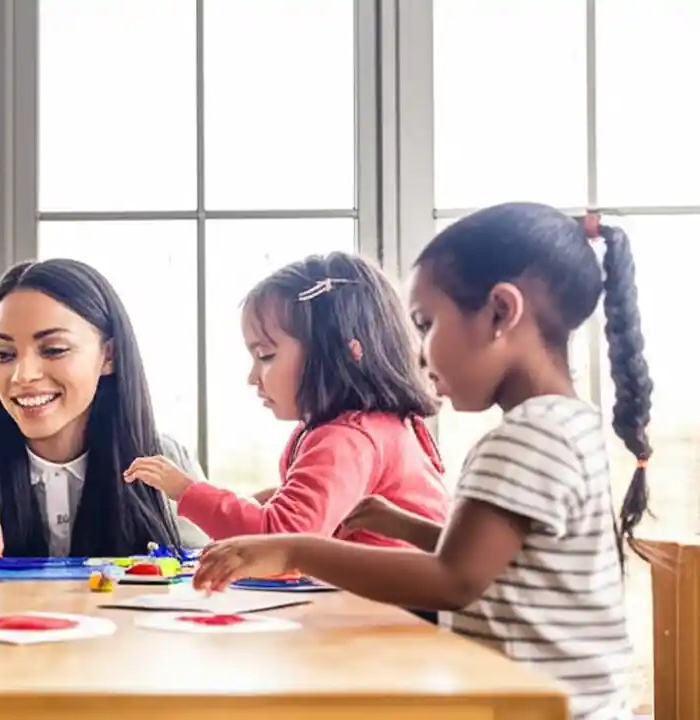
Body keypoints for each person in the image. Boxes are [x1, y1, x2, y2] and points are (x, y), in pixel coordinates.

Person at [194, 202, 647, 720]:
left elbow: (453, 580)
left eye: (426, 325)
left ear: (501, 312)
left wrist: (298, 548)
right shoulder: (567, 424)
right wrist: (402, 525)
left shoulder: (524, 440)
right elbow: (505, 564)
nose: (421, 354)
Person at [125, 252, 447, 548]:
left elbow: (284, 542)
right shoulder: (376, 426)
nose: (253, 377)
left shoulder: (347, 438)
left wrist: (186, 490)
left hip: (393, 607)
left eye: (266, 355)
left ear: (341, 355)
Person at [0, 258, 209, 557]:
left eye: (54, 350)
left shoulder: (168, 466)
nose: (23, 375)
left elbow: (208, 581)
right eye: (4, 354)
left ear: (109, 355)